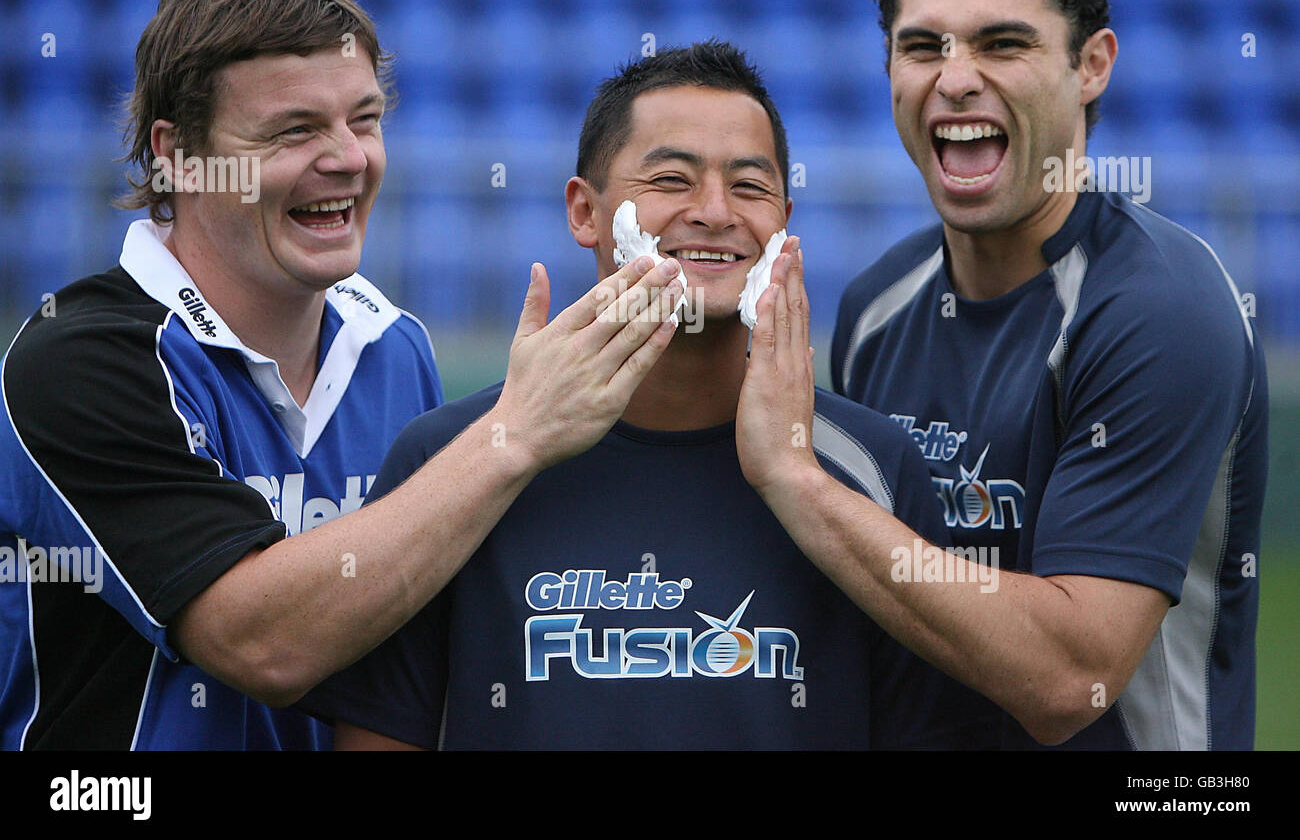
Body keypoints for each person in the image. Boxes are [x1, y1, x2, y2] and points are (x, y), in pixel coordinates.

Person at [0, 0, 681, 749]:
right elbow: (262, 643)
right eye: (295, 130)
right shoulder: (82, 361)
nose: (349, 158)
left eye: (364, 120)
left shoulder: (395, 347)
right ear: (178, 155)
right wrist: (516, 436)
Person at [299, 41, 992, 750]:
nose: (717, 212)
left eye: (750, 187)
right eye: (672, 178)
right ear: (584, 212)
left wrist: (794, 475)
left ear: (784, 219)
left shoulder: (871, 468)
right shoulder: (454, 459)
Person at [742, 0, 1267, 749]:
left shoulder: (1157, 310)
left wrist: (796, 480)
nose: (954, 78)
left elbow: (1070, 678)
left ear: (1092, 65)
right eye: (922, 47)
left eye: (1003, 43)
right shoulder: (876, 305)